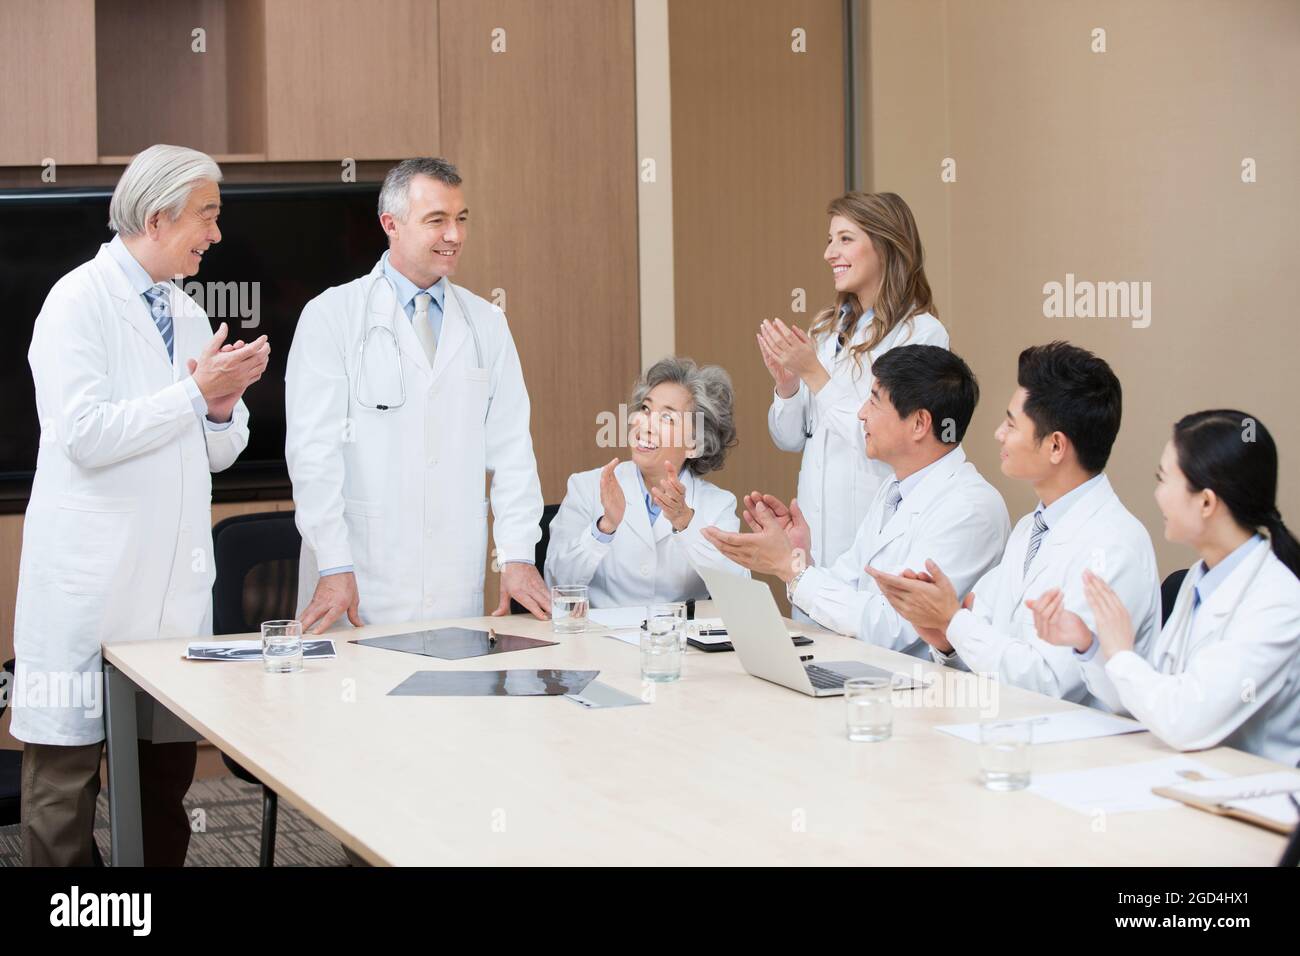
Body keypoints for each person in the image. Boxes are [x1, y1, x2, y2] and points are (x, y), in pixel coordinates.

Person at [12, 144, 269, 865]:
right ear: (158, 217)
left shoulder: (187, 318)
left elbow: (211, 455)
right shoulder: (75, 304)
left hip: (166, 602)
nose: (215, 235)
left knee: (162, 792)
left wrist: (221, 406)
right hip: (89, 594)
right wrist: (192, 393)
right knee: (62, 796)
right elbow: (85, 436)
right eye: (206, 217)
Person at [285, 157, 548, 631]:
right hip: (362, 579)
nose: (455, 235)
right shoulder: (332, 315)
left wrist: (518, 555)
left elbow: (512, 451)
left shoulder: (485, 322)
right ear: (391, 225)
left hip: (454, 584)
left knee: (453, 702)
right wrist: (333, 564)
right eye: (437, 221)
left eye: (460, 219)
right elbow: (312, 455)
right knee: (356, 700)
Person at [867, 341, 1160, 708]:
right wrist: (945, 640)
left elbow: (1050, 682)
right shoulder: (1030, 529)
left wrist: (953, 621)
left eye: (1011, 423)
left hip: (1078, 748)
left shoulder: (1114, 546)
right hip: (1009, 728)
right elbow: (990, 652)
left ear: (1056, 447)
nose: (998, 434)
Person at [704, 345, 1008, 658]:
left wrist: (789, 569)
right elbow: (848, 582)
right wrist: (798, 559)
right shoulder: (895, 487)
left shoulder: (970, 509)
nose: (861, 413)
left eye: (874, 401)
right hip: (868, 672)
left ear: (919, 424)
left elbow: (894, 627)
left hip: (921, 689)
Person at [1034, 410, 1300, 764]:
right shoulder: (1198, 578)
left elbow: (1184, 720)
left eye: (1164, 479)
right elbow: (1150, 701)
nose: (1157, 494)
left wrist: (1122, 653)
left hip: (1252, 800)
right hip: (1187, 778)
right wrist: (1091, 645)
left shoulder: (1277, 602)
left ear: (1205, 502)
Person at [761, 192, 948, 596]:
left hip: (869, 534)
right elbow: (790, 439)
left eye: (845, 239)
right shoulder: (828, 329)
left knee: (860, 645)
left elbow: (884, 438)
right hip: (813, 542)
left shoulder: (922, 334)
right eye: (830, 240)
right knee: (813, 648)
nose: (830, 253)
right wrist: (789, 385)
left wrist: (813, 373)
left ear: (885, 244)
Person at [545, 357, 748, 607]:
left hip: (676, 641)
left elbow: (739, 594)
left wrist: (686, 523)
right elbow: (556, 583)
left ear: (695, 443)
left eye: (667, 418)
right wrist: (604, 527)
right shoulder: (586, 487)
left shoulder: (717, 505)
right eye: (645, 409)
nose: (646, 425)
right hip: (599, 641)